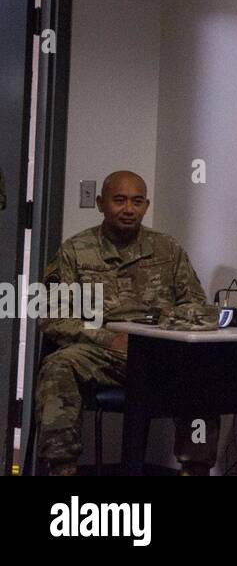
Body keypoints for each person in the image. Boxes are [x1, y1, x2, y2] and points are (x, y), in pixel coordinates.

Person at [36, 170, 220, 475]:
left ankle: (196, 467)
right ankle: (61, 466)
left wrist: (169, 331)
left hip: (160, 351)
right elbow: (52, 315)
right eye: (119, 200)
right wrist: (108, 339)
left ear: (146, 206)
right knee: (59, 366)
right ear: (101, 203)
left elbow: (194, 305)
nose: (128, 209)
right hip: (103, 352)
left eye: (136, 201)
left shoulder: (168, 249)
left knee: (203, 373)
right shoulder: (75, 250)